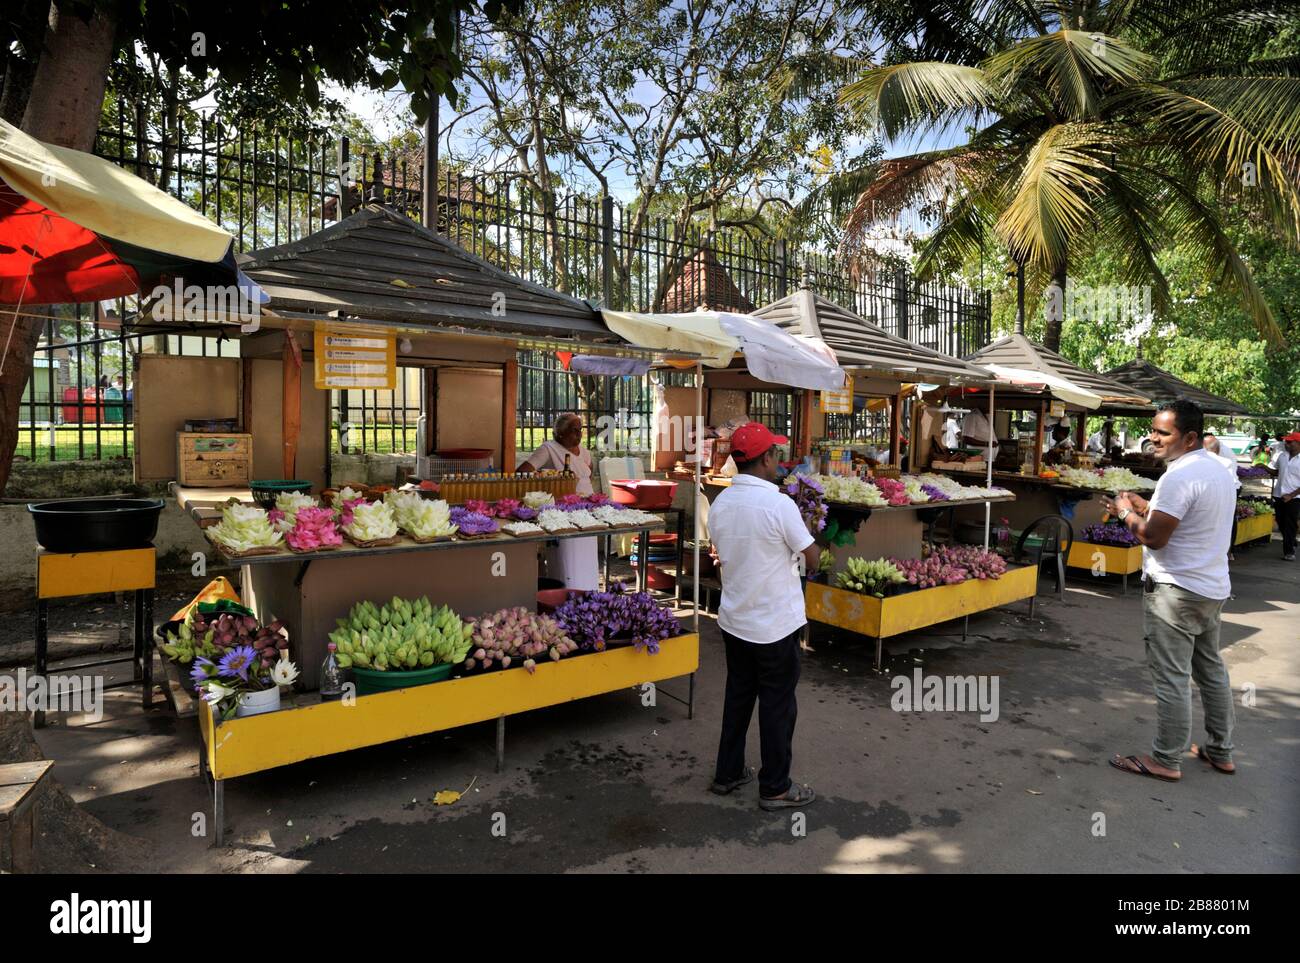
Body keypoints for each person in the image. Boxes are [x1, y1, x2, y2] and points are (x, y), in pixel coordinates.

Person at [1101, 399, 1237, 782]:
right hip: (1210, 587)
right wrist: (1147, 505)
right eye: (1153, 430)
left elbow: (1154, 538)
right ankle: (1220, 750)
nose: (1153, 439)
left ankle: (1166, 758)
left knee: (1172, 677)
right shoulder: (1216, 469)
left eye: (1163, 433)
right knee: (1210, 670)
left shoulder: (1178, 476)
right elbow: (1188, 518)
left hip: (1176, 591)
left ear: (1190, 437)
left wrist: (1124, 511)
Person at [707, 422, 820, 811]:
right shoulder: (778, 504)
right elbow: (812, 555)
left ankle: (728, 772)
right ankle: (775, 787)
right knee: (777, 704)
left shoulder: (721, 503)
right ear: (767, 458)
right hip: (773, 625)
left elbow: (722, 550)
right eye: (775, 453)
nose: (778, 459)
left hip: (735, 621)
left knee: (738, 696)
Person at [518, 413, 598, 589]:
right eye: (573, 431)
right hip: (564, 513)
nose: (578, 434)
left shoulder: (584, 452)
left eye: (580, 430)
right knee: (567, 557)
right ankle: (565, 593)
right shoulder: (549, 449)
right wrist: (547, 480)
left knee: (587, 556)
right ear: (560, 433)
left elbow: (588, 474)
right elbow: (522, 472)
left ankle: (589, 594)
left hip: (587, 511)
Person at [1203, 433, 1241, 558]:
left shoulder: (1222, 458)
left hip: (1229, 487)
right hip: (1227, 487)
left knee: (1227, 520)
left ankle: (1229, 551)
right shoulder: (1215, 455)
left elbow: (1227, 480)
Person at [1267, 431, 1300, 561]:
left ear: (1298, 443)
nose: (1286, 444)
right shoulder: (1281, 456)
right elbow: (1276, 472)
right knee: (1280, 522)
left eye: (1289, 442)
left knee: (1289, 524)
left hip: (1295, 498)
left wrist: (1291, 495)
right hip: (1278, 495)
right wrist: (1262, 467)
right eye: (1286, 441)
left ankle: (1289, 552)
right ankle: (1291, 540)